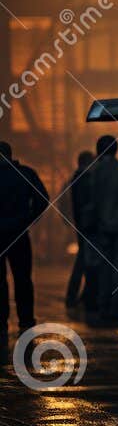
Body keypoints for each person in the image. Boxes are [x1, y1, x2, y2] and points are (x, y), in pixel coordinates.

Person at [83, 134, 118, 324]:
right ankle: (117, 309)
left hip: (101, 228)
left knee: (104, 268)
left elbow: (88, 203)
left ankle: (103, 307)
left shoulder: (92, 174)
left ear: (98, 151)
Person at [0, 142, 50, 346]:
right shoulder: (26, 173)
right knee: (23, 279)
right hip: (19, 234)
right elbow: (43, 199)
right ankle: (26, 321)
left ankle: (1, 322)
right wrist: (28, 219)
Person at [65, 149, 95, 310]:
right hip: (87, 226)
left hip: (81, 225)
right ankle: (77, 296)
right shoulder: (85, 179)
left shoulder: (76, 178)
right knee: (85, 261)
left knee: (84, 260)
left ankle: (80, 295)